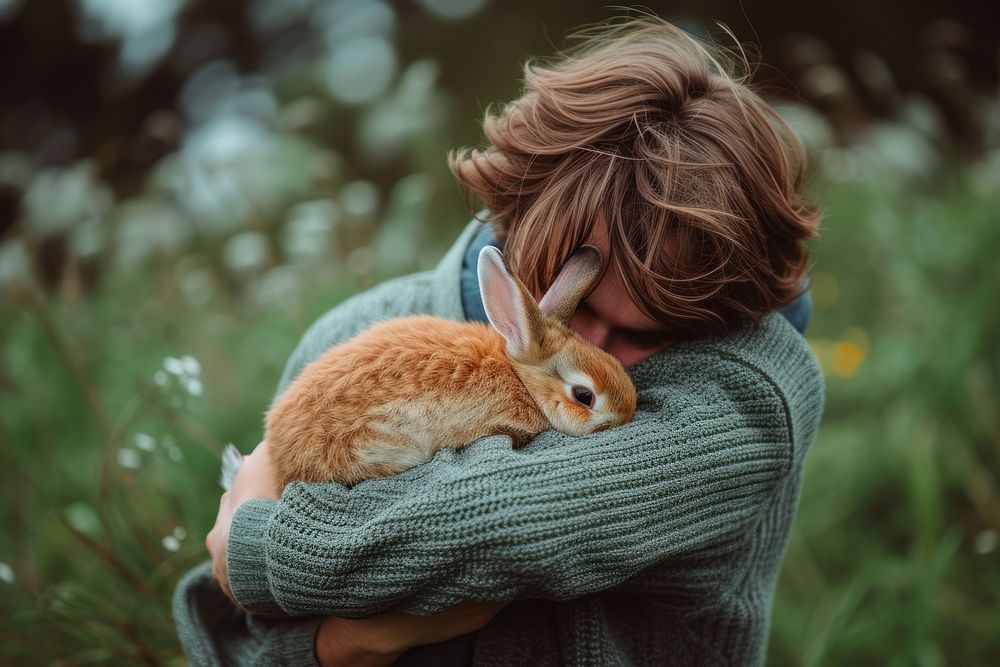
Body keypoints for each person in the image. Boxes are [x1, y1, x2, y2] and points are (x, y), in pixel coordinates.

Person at [173, 15, 824, 666]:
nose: (590, 344)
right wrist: (345, 645)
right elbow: (244, 633)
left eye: (643, 331)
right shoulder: (346, 339)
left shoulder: (744, 396)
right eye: (579, 305)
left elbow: (499, 522)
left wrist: (258, 540)